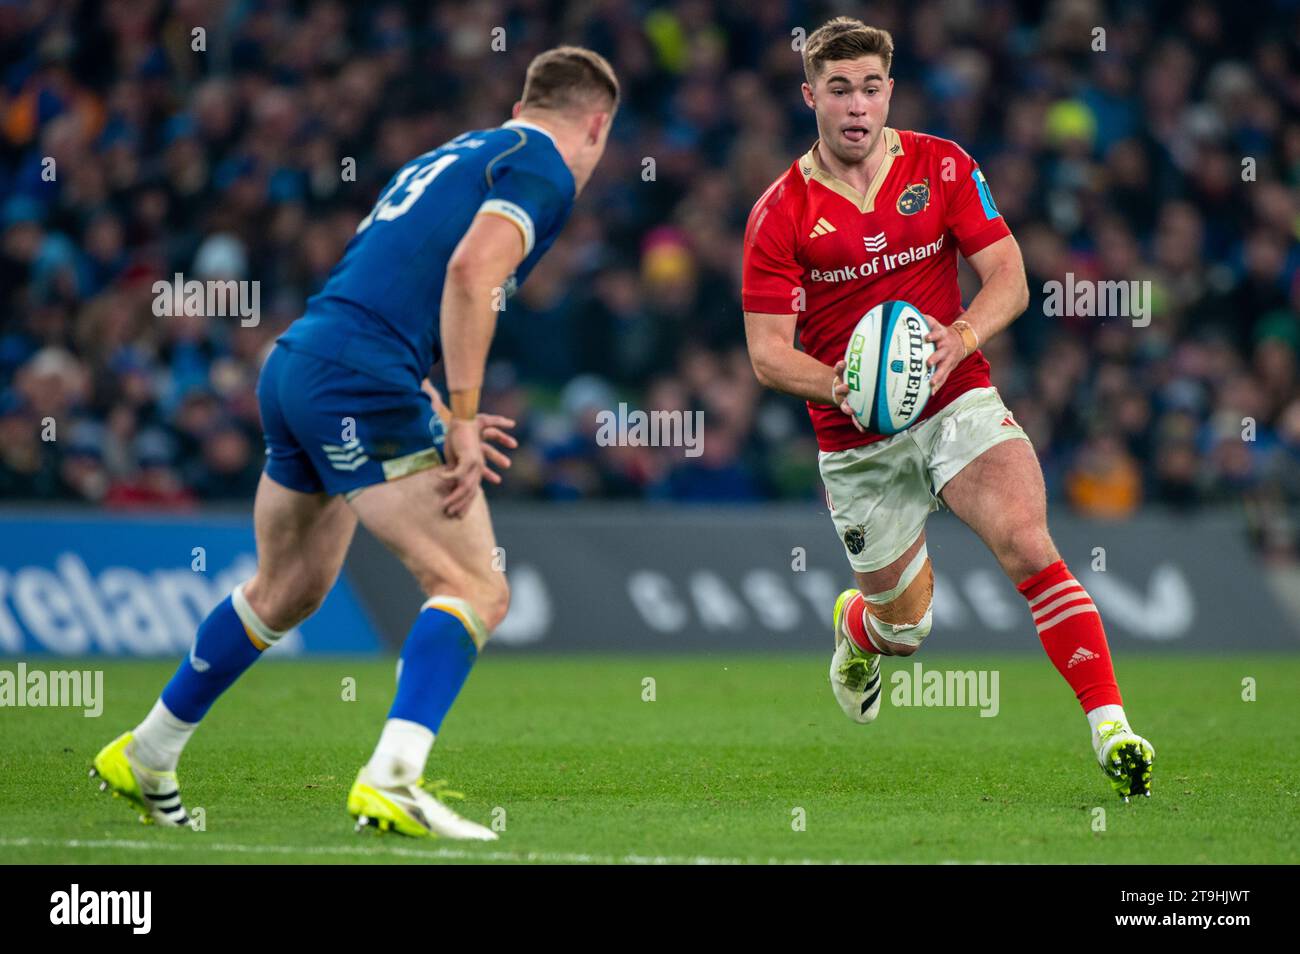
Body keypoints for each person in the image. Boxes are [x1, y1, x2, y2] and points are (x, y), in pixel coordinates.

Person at [91, 46, 619, 837]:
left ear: (519, 105)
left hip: (302, 360)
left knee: (287, 589)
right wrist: (466, 418)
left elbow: (390, 281)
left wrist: (435, 404)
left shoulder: (458, 154)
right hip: (358, 379)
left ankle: (149, 750)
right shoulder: (542, 168)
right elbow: (471, 275)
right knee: (475, 588)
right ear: (598, 127)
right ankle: (394, 777)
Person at [741, 18, 1153, 800]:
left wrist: (961, 337)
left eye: (870, 87)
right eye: (838, 89)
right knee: (905, 629)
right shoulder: (782, 212)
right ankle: (859, 632)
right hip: (855, 441)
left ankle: (1111, 729)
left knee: (1029, 543)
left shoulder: (944, 165)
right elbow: (767, 352)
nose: (857, 105)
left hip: (953, 396)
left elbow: (1009, 276)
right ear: (810, 97)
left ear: (889, 90)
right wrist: (841, 384)